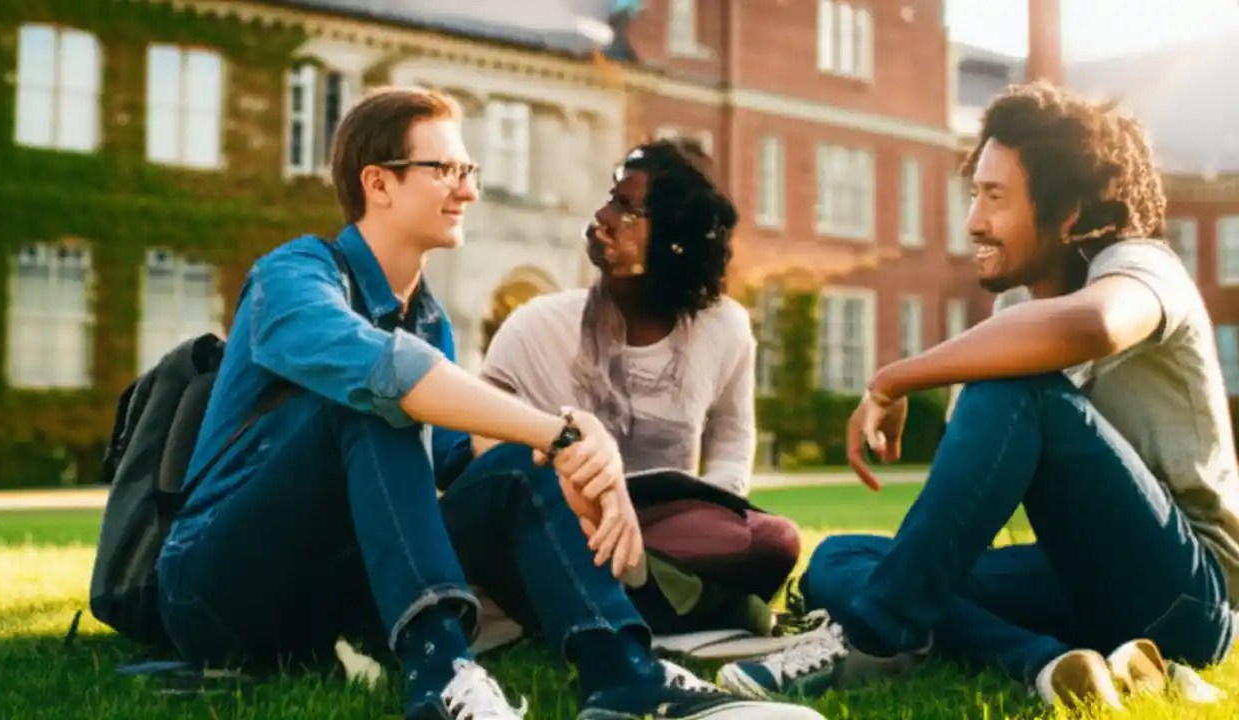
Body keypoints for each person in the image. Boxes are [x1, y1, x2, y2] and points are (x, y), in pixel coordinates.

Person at [155, 86, 822, 720]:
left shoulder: (428, 324)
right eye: (444, 168)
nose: (468, 189)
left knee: (519, 462)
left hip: (335, 596)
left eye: (467, 168)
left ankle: (623, 671)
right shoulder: (293, 275)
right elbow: (387, 377)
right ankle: (442, 674)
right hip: (215, 589)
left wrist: (566, 461)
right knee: (376, 400)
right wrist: (563, 429)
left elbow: (456, 458)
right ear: (378, 182)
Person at [717, 81, 1239, 710]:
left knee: (1009, 386)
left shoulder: (1141, 266)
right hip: (1075, 579)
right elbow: (968, 504)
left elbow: (1094, 325)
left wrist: (899, 376)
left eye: (995, 197)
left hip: (1187, 597)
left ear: (1068, 211)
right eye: (974, 194)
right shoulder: (1014, 307)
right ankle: (1044, 663)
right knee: (842, 558)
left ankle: (873, 639)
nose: (974, 222)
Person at [471, 138, 803, 636]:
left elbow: (733, 439)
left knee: (775, 539)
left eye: (628, 208)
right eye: (611, 197)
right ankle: (691, 607)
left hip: (666, 531)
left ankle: (625, 601)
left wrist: (714, 504)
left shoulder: (725, 329)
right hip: (567, 532)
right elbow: (485, 453)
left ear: (673, 239)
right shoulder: (535, 327)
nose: (603, 215)